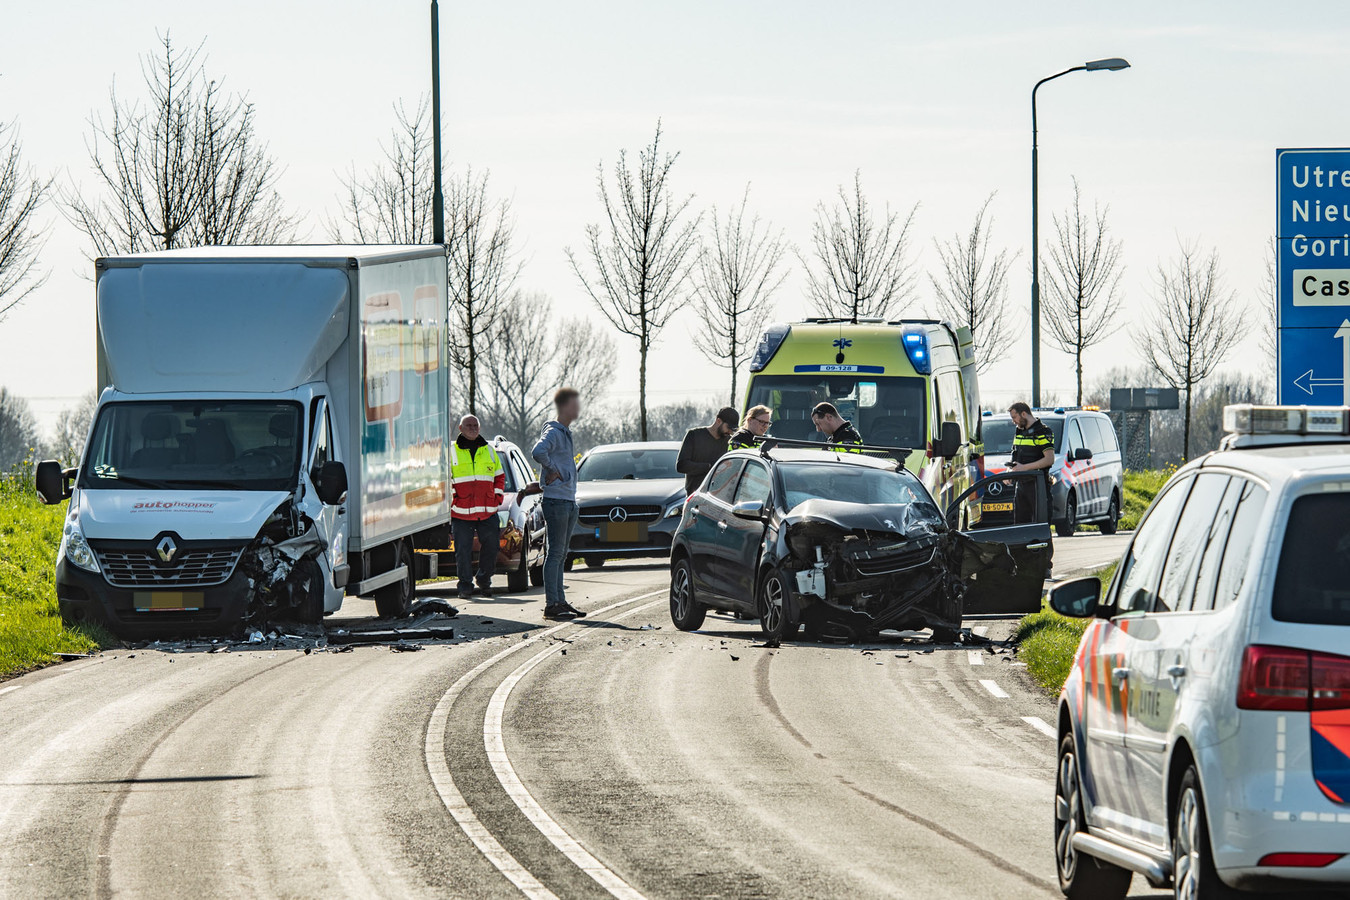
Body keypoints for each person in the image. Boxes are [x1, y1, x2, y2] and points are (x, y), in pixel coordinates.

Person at [531, 388, 586, 621]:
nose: (578, 408)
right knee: (554, 554)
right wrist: (553, 470)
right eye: (575, 404)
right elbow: (538, 451)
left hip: (567, 500)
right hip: (556, 501)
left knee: (562, 554)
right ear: (564, 407)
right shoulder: (554, 431)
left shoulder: (564, 431)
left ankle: (559, 600)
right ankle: (551, 604)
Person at [450, 415, 505, 599]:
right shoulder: (451, 451)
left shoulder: (489, 450)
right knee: (463, 551)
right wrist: (453, 500)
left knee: (492, 547)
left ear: (479, 428)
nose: (473, 428)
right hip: (461, 511)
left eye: (475, 425)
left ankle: (484, 579)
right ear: (460, 428)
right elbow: (445, 480)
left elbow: (499, 476)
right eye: (469, 425)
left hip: (487, 510)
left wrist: (496, 497)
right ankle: (465, 586)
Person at [1005, 401, 1055, 524]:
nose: (1013, 422)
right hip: (1021, 485)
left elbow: (1049, 459)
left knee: (1040, 525)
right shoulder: (1019, 431)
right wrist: (1009, 472)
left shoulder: (1043, 431)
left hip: (1038, 485)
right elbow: (1015, 456)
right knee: (1020, 527)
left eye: (1014, 417)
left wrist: (1024, 467)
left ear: (1023, 414)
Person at [677, 407, 738, 495]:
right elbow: (681, 466)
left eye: (733, 429)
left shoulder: (730, 442)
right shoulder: (694, 435)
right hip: (695, 496)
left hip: (720, 497)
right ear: (718, 421)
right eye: (728, 427)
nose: (730, 431)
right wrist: (710, 467)